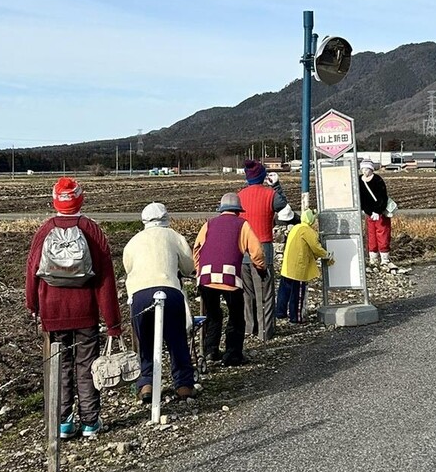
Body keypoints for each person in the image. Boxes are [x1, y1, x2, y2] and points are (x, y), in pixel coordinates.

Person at [26, 177, 122, 440]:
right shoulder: (92, 230)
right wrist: (113, 323)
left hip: (52, 313)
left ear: (54, 201)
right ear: (81, 198)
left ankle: (64, 422)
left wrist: (33, 305)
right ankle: (90, 422)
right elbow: (105, 280)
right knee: (87, 365)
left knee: (61, 365)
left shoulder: (44, 230)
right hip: (86, 312)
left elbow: (32, 271)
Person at [122, 202, 197, 403]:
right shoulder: (174, 237)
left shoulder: (134, 241)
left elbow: (128, 267)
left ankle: (146, 384)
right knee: (176, 340)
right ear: (166, 218)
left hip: (140, 296)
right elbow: (189, 266)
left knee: (145, 342)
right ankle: (183, 386)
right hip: (170, 291)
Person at [192, 191, 266, 366]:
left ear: (221, 209)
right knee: (236, 316)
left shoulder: (209, 224)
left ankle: (210, 351)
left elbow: (196, 248)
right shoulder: (243, 225)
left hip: (206, 278)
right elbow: (257, 251)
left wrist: (199, 271)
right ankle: (232, 355)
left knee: (213, 314)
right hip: (230, 279)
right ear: (238, 210)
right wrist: (261, 269)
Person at [238, 161, 287, 339]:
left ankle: (250, 328)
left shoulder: (240, 196)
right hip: (263, 247)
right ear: (262, 176)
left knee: (248, 293)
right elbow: (283, 206)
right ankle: (266, 331)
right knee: (265, 292)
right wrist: (276, 185)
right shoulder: (270, 195)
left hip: (243, 250)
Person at [276, 208, 333, 323]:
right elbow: (315, 247)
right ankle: (296, 317)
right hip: (299, 268)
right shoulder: (308, 231)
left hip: (287, 266)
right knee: (297, 294)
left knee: (284, 291)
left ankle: (280, 313)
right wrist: (326, 255)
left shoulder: (296, 228)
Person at [359, 158, 394, 269]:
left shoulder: (378, 180)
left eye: (367, 168)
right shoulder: (360, 180)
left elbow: (382, 196)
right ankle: (373, 258)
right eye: (363, 168)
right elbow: (361, 199)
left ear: (371, 169)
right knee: (371, 234)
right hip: (369, 213)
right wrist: (368, 211)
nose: (365, 171)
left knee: (382, 233)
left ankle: (384, 258)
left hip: (380, 212)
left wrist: (378, 210)